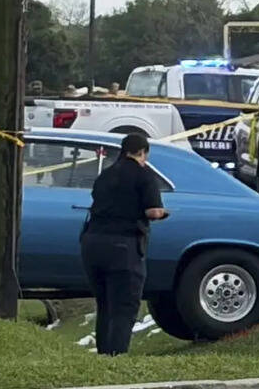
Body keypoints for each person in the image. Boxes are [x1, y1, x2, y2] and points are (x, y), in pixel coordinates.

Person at [80, 134, 168, 355]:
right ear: (143, 152)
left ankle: (103, 354)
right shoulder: (144, 175)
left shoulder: (106, 174)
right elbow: (153, 211)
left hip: (93, 244)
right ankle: (116, 356)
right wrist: (164, 213)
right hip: (124, 247)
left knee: (105, 304)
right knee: (124, 306)